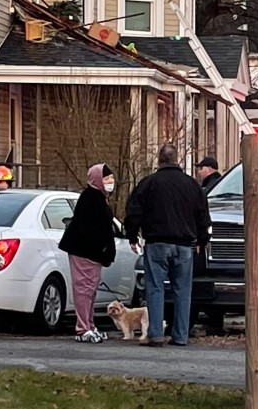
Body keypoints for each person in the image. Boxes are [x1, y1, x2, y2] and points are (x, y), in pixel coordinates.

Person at [124, 144, 212, 348]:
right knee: (183, 290)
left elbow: (133, 211)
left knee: (155, 289)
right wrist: (201, 240)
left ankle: (155, 334)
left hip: (157, 243)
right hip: (184, 246)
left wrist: (132, 236)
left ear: (159, 160)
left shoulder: (149, 183)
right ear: (177, 159)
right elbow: (203, 215)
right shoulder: (192, 185)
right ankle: (180, 335)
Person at [59, 163, 119, 344]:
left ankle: (90, 325)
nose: (110, 182)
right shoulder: (90, 198)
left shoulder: (100, 198)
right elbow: (89, 229)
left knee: (90, 291)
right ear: (97, 179)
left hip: (93, 254)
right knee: (84, 290)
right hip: (85, 252)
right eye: (106, 178)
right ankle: (82, 327)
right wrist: (101, 248)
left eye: (111, 178)